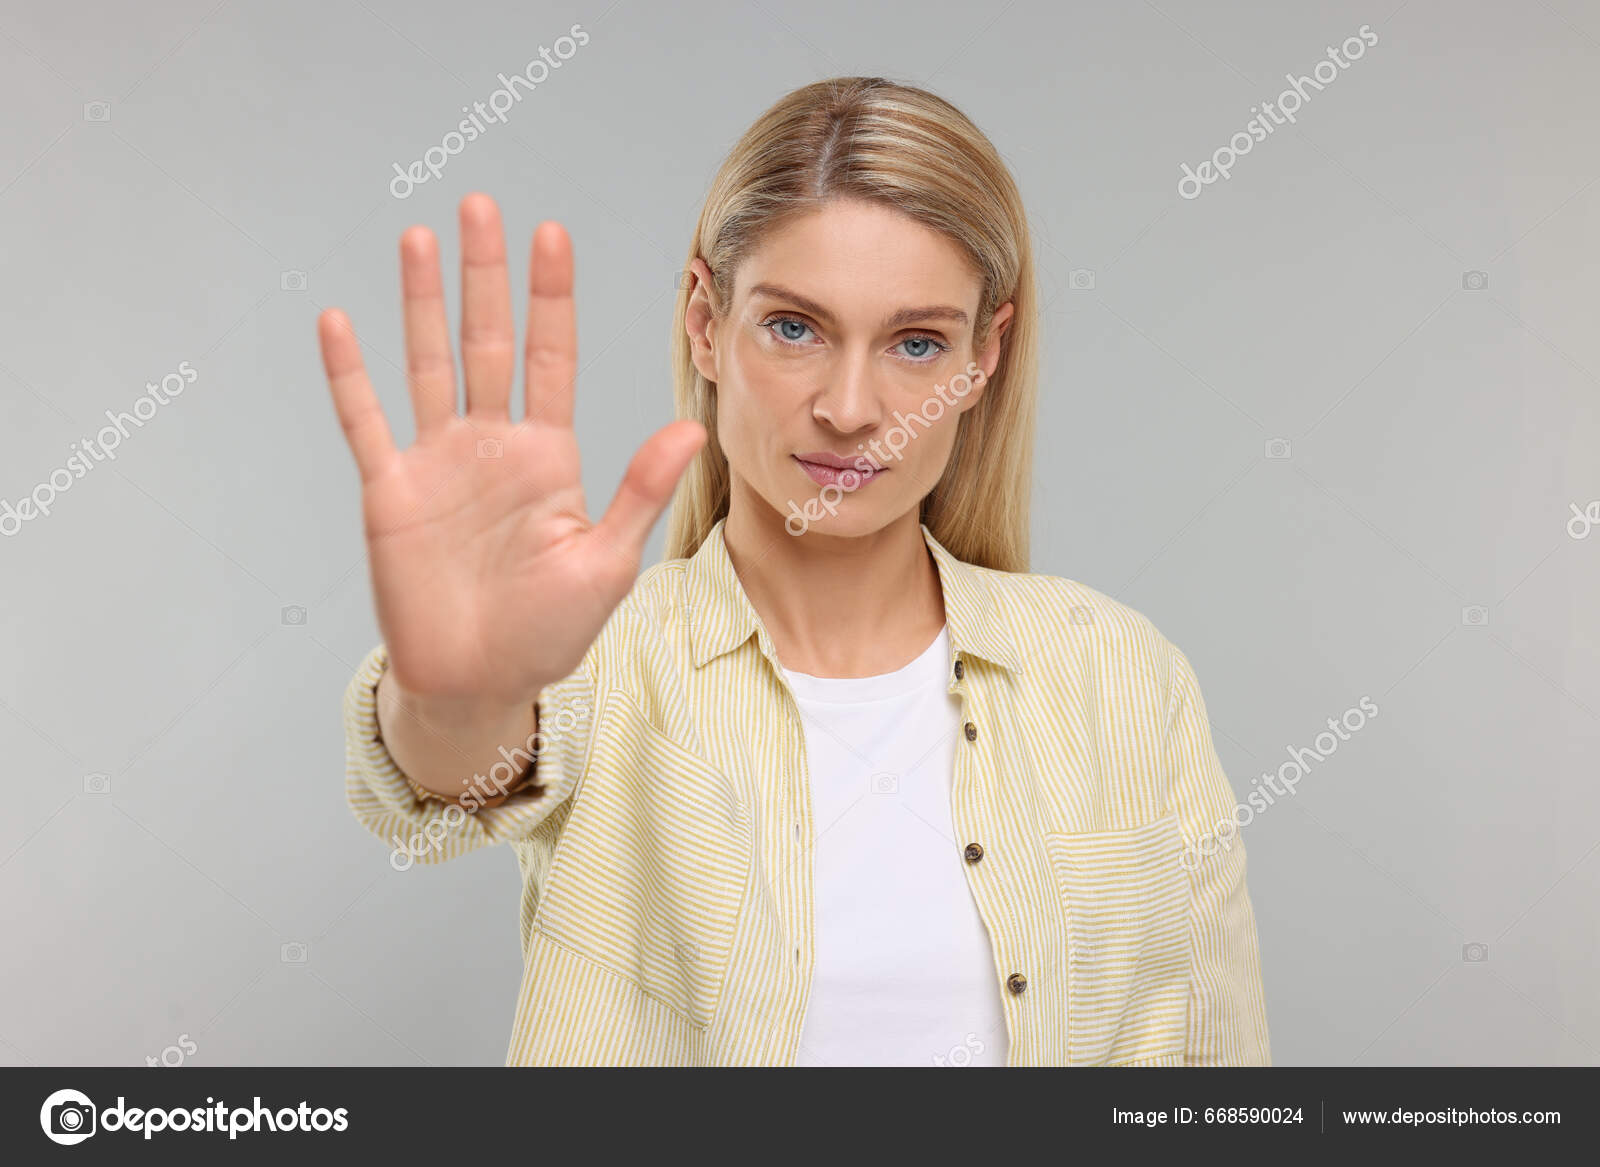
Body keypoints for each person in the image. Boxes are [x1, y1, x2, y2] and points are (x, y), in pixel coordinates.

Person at [321, 76, 1270, 1066]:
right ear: (705, 323)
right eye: (794, 327)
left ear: (983, 358)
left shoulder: (1123, 677)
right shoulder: (600, 661)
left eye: (915, 342)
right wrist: (454, 692)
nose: (852, 407)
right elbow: (438, 789)